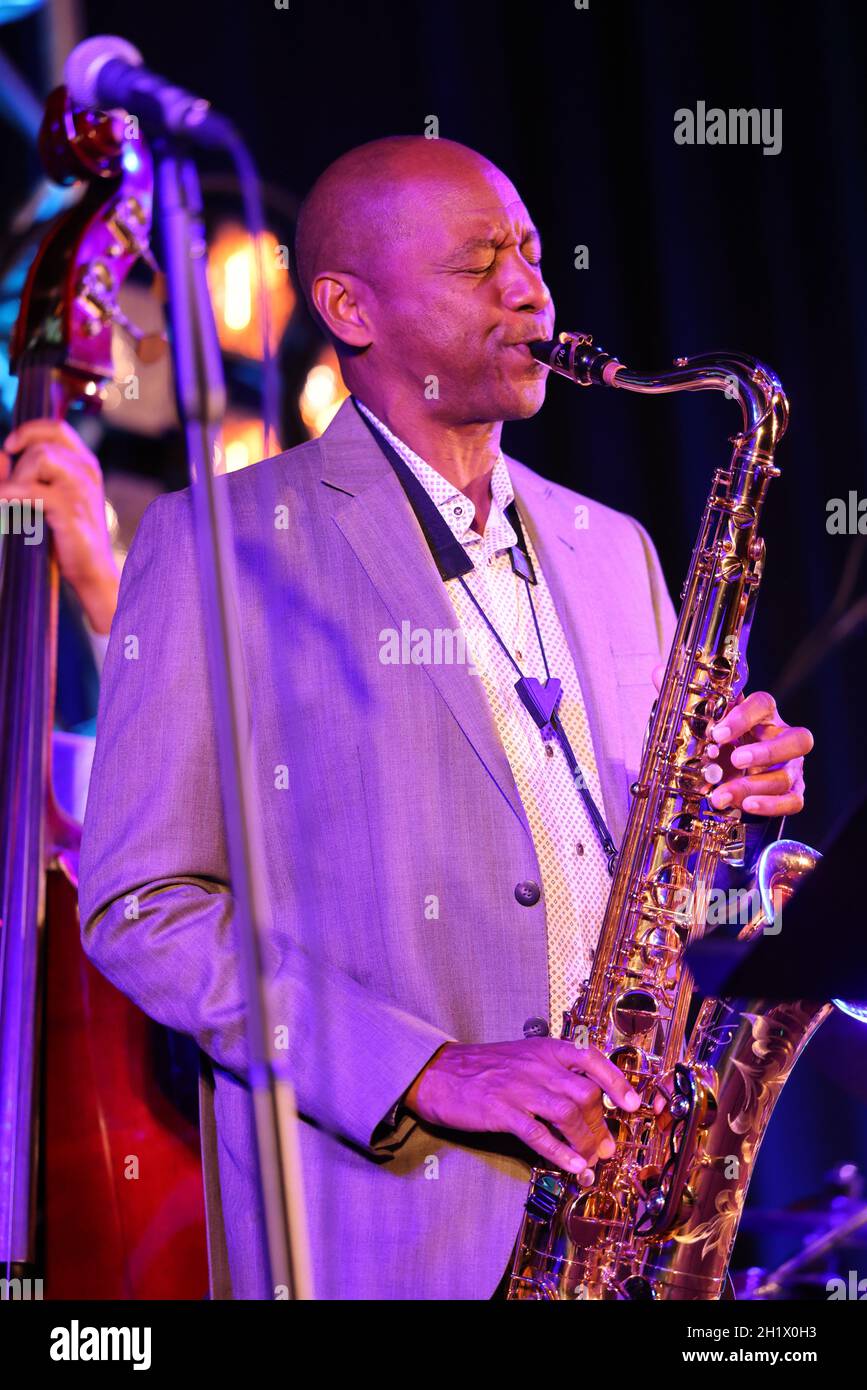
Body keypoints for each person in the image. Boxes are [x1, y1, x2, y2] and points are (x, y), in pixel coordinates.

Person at [19, 136, 813, 1299]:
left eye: (534, 256)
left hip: (629, 1224)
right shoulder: (218, 543)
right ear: (349, 306)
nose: (532, 288)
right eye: (481, 261)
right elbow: (142, 906)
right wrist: (427, 1070)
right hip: (387, 1241)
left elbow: (653, 893)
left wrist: (724, 805)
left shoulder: (618, 550)